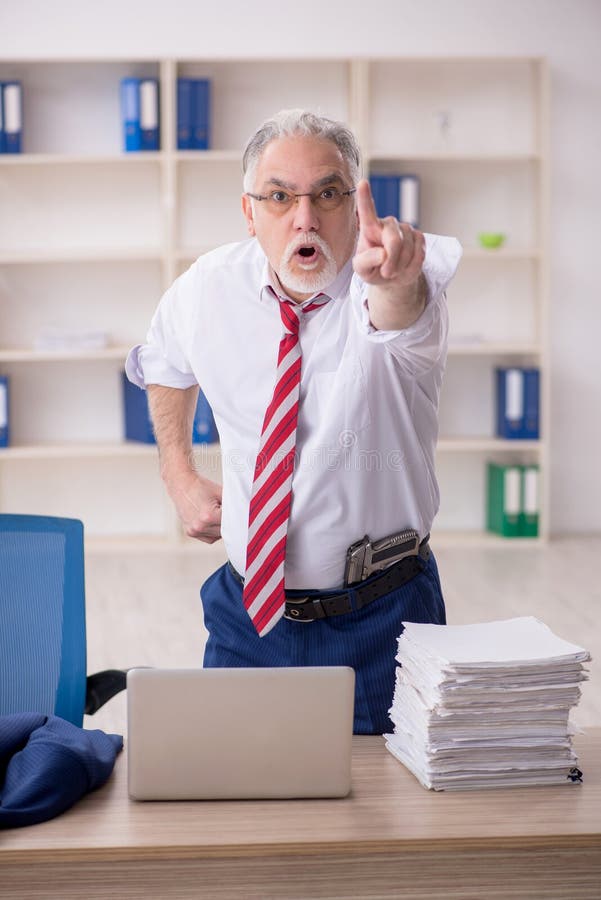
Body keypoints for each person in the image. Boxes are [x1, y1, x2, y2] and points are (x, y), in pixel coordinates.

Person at [126, 109, 462, 734]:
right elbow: (164, 362)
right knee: (238, 798)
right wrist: (178, 472)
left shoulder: (391, 284)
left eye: (328, 194)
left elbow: (400, 317)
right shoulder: (207, 289)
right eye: (280, 197)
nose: (304, 217)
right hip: (247, 613)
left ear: (356, 208)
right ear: (250, 212)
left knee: (385, 824)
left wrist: (398, 283)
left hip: (382, 616)